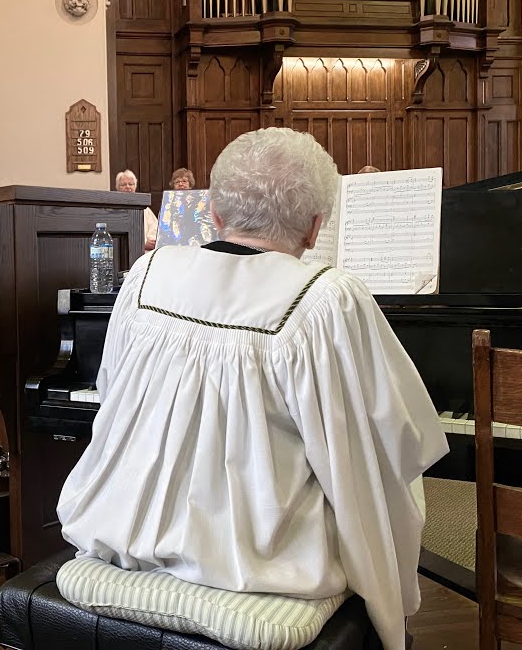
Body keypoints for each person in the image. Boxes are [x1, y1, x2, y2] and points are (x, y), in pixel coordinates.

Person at [57, 128, 447, 650]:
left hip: (119, 533)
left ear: (214, 214)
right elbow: (390, 444)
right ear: (314, 229)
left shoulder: (146, 274)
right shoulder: (325, 298)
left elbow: (112, 395)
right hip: (263, 565)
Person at [115, 169, 157, 251]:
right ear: (117, 188)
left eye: (131, 184)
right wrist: (142, 243)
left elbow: (154, 229)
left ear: (135, 187)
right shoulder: (114, 209)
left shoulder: (145, 209)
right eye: (123, 185)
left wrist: (150, 242)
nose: (128, 187)